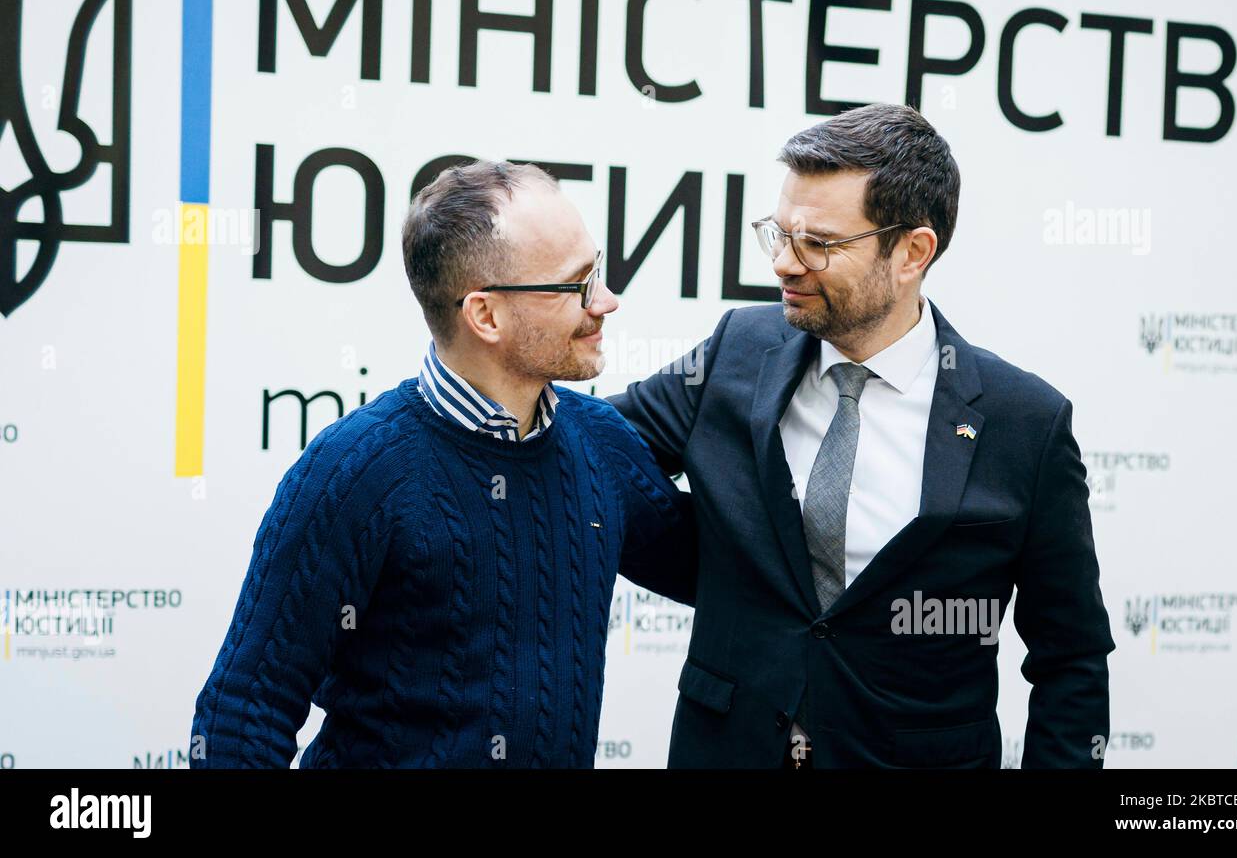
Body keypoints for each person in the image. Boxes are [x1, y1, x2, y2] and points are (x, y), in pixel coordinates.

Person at [609, 103, 1115, 769]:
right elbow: (600, 453)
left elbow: (1071, 658)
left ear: (912, 252)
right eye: (779, 233)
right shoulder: (736, 350)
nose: (784, 264)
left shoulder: (1026, 423)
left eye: (817, 242)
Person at [190, 161, 695, 768]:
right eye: (577, 284)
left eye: (599, 272)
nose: (606, 301)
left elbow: (731, 576)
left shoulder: (599, 446)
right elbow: (242, 717)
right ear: (485, 315)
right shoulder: (357, 469)